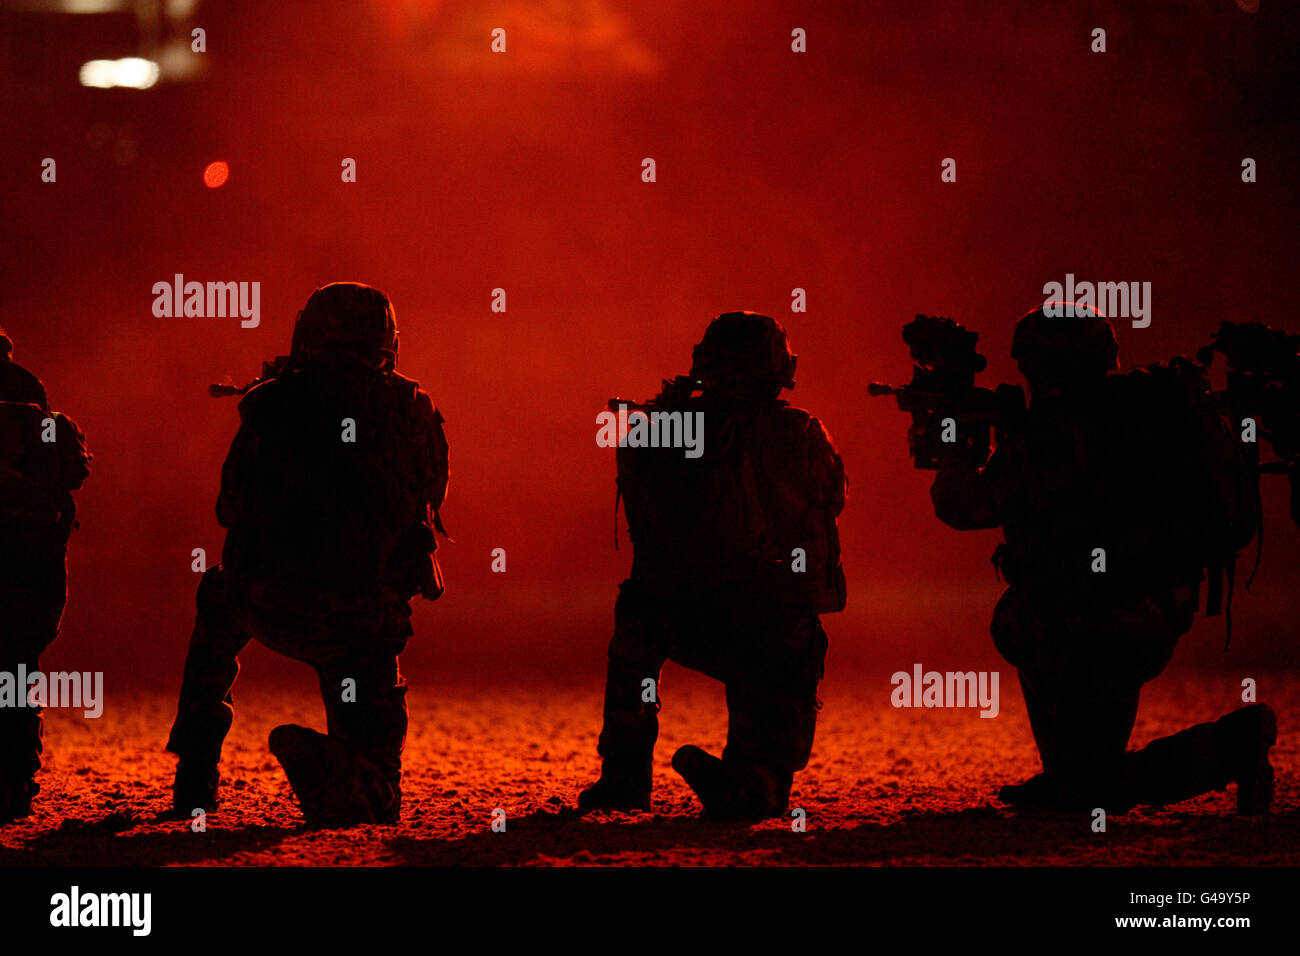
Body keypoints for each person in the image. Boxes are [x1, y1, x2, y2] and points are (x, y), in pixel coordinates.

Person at [930, 304, 1276, 814]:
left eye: (1032, 365)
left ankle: (1234, 745)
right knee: (1034, 620)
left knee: (1091, 789)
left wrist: (957, 446)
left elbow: (964, 506)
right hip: (1137, 607)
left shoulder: (1058, 434)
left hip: (1103, 622)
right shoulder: (1132, 417)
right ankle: (1068, 776)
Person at [165, 283, 449, 827]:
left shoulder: (271, 403)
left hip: (267, 602)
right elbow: (429, 503)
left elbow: (228, 508)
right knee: (378, 778)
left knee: (215, 598)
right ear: (386, 338)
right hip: (361, 627)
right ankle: (362, 773)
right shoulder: (413, 408)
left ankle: (195, 773)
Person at [579, 312, 847, 820]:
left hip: (708, 619)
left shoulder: (666, 431)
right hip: (761, 624)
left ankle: (627, 777)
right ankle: (755, 776)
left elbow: (643, 518)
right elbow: (831, 502)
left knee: (639, 618)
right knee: (779, 653)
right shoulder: (796, 433)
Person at [0, 328, 90, 823]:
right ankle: (14, 783)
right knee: (15, 674)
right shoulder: (30, 392)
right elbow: (69, 476)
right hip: (28, 577)